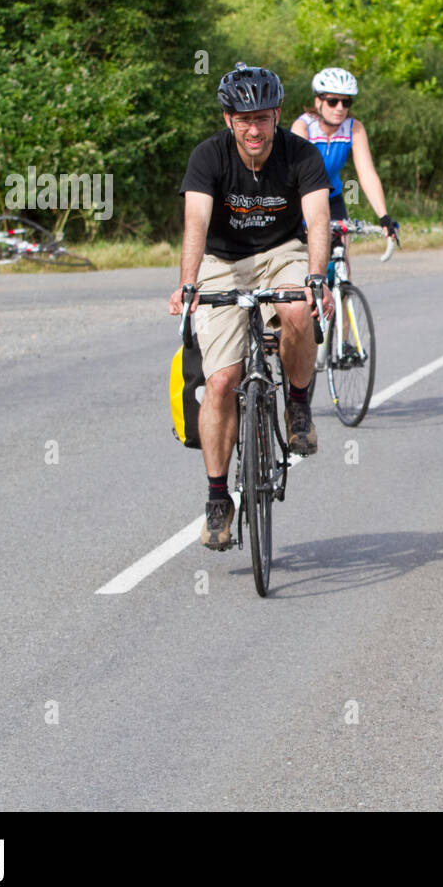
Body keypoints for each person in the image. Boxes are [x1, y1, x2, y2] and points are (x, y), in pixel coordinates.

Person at [168, 62, 334, 548]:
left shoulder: (300, 154)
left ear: (278, 115)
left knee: (299, 311)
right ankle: (218, 497)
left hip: (283, 253)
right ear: (228, 120)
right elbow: (196, 221)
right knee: (221, 381)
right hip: (222, 261)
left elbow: (318, 218)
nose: (255, 128)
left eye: (263, 117)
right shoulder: (208, 157)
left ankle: (299, 406)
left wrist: (315, 277)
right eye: (244, 119)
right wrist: (188, 282)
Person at [290, 68, 397, 249]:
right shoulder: (303, 127)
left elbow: (366, 173)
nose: (340, 108)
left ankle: (341, 276)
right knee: (309, 257)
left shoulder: (354, 128)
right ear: (318, 102)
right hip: (303, 197)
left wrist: (384, 217)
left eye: (346, 102)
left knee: (342, 254)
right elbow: (296, 174)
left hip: (333, 197)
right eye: (332, 101)